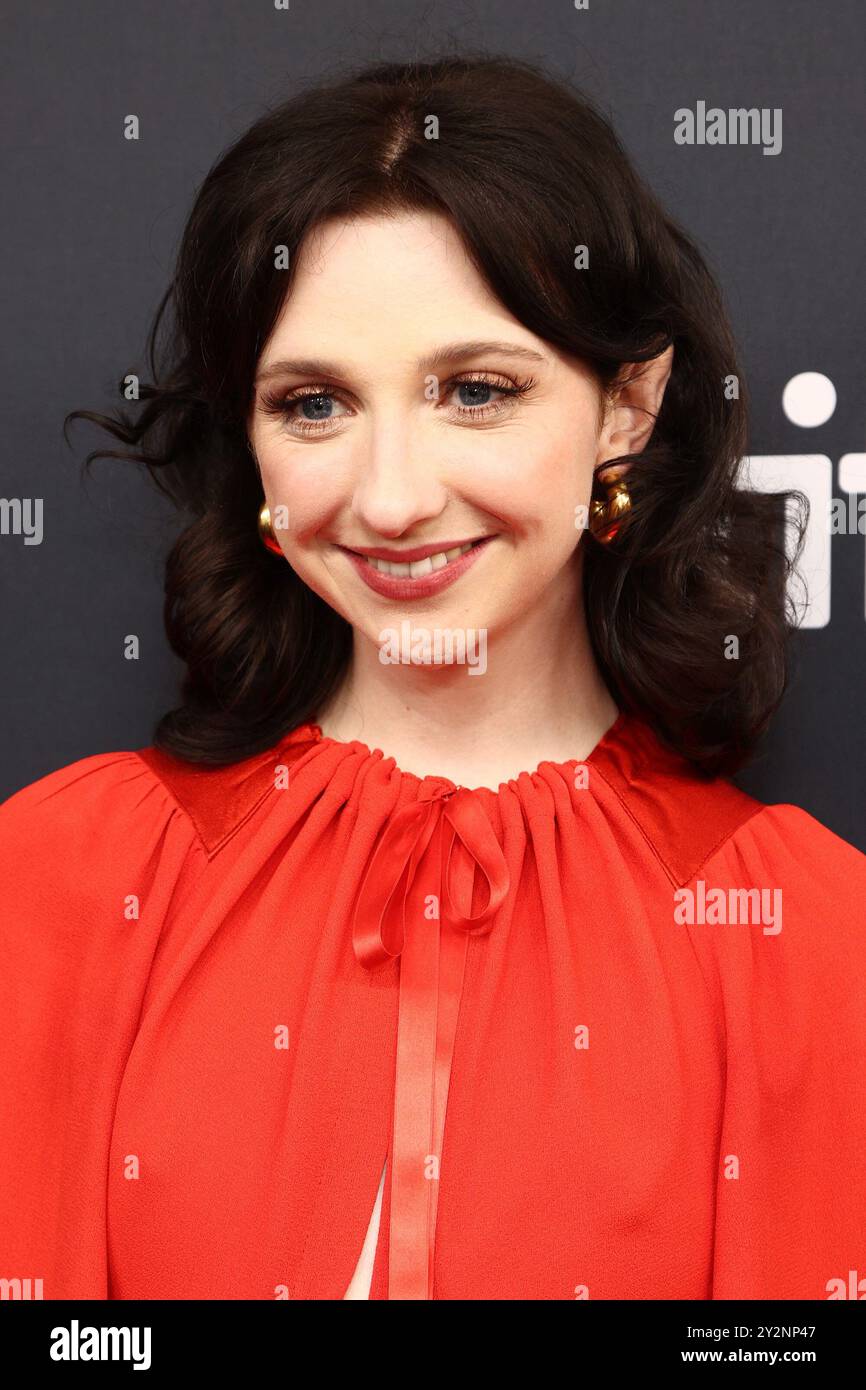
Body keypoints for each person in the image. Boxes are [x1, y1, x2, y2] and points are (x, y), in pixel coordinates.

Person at [1, 54, 864, 1303]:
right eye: (312, 405)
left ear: (628, 403)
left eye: (474, 391)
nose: (391, 497)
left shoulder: (806, 940)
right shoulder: (60, 884)